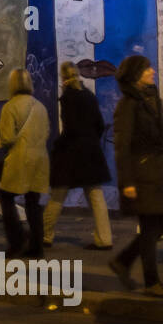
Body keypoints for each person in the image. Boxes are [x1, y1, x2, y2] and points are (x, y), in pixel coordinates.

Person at [108, 55, 163, 297]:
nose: (153, 72)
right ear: (137, 74)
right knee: (150, 228)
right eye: (148, 69)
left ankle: (123, 261)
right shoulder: (128, 105)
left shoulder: (150, 97)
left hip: (160, 171)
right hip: (143, 173)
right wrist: (127, 182)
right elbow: (122, 146)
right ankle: (152, 282)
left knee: (161, 225)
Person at [44, 61, 113, 249]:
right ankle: (105, 239)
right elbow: (99, 123)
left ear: (63, 77)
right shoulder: (89, 96)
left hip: (71, 153)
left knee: (58, 194)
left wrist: (59, 145)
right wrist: (91, 140)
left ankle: (45, 235)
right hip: (90, 152)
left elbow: (70, 128)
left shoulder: (68, 97)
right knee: (96, 196)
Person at [0, 68, 50, 258]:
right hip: (40, 161)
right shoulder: (41, 106)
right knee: (33, 203)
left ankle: (16, 240)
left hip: (19, 159)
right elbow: (46, 133)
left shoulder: (10, 107)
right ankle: (37, 247)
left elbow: (7, 138)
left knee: (6, 197)